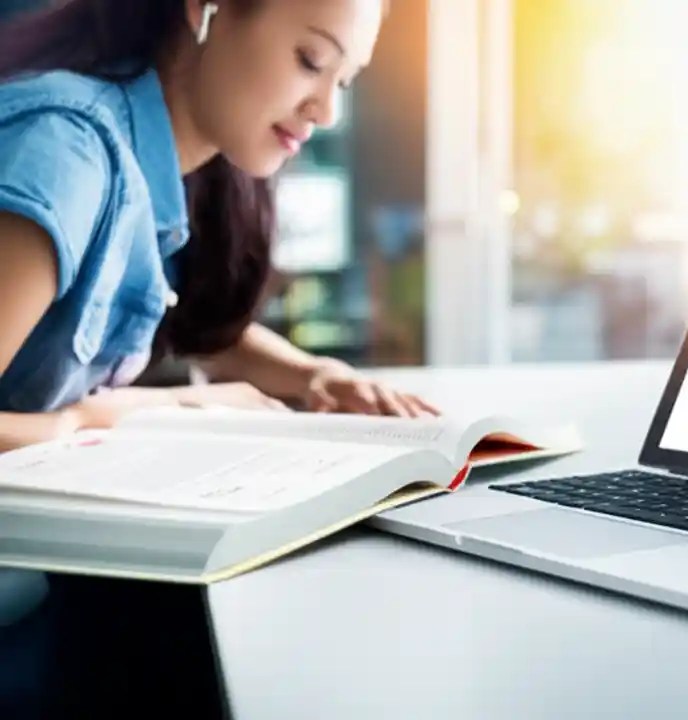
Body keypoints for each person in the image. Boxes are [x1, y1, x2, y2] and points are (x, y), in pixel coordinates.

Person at [0, 1, 429, 715]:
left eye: (344, 82)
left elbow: (174, 318)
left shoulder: (167, 161)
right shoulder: (68, 154)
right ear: (207, 10)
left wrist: (312, 375)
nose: (325, 110)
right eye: (311, 61)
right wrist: (121, 416)